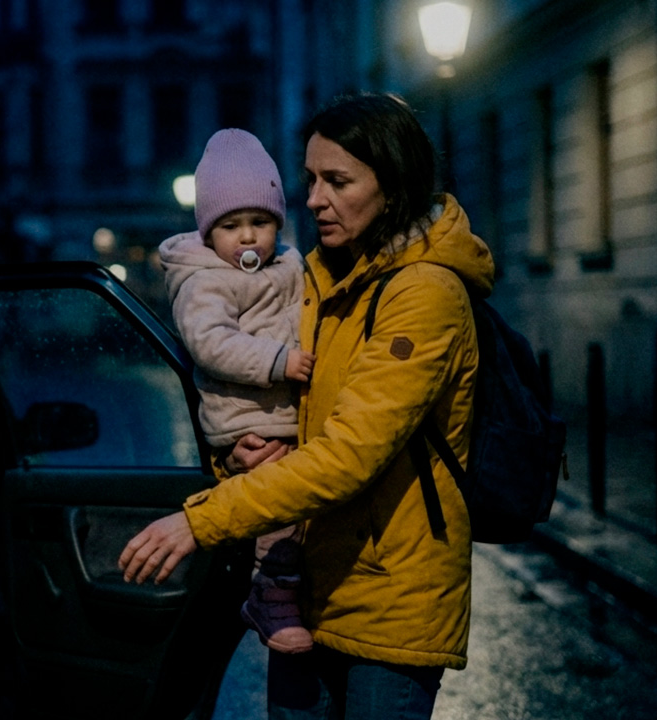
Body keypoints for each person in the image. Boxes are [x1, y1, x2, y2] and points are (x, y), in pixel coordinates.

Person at [119, 92, 496, 719]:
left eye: (337, 180)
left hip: (388, 605)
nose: (314, 198)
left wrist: (202, 519)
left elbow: (350, 455)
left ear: (393, 184)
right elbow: (261, 388)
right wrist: (241, 449)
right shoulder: (313, 278)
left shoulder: (424, 294)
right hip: (308, 587)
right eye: (311, 179)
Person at [159, 128, 315, 654]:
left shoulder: (290, 265)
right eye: (231, 226)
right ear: (209, 233)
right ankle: (269, 590)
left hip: (288, 414)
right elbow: (211, 343)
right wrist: (280, 361)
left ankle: (291, 583)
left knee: (310, 505)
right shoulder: (204, 280)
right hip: (247, 418)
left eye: (260, 222)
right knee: (278, 502)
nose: (248, 237)